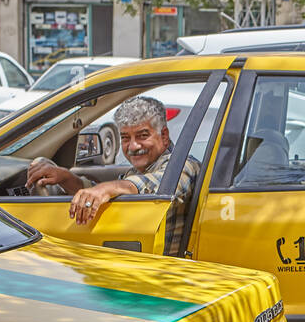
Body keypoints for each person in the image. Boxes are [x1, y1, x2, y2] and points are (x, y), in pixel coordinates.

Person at [25, 95, 200, 256]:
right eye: (125, 138)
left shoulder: (184, 165)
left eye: (142, 135)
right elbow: (104, 193)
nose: (133, 146)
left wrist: (108, 188)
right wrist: (66, 178)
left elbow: (156, 185)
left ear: (164, 135)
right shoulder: (137, 171)